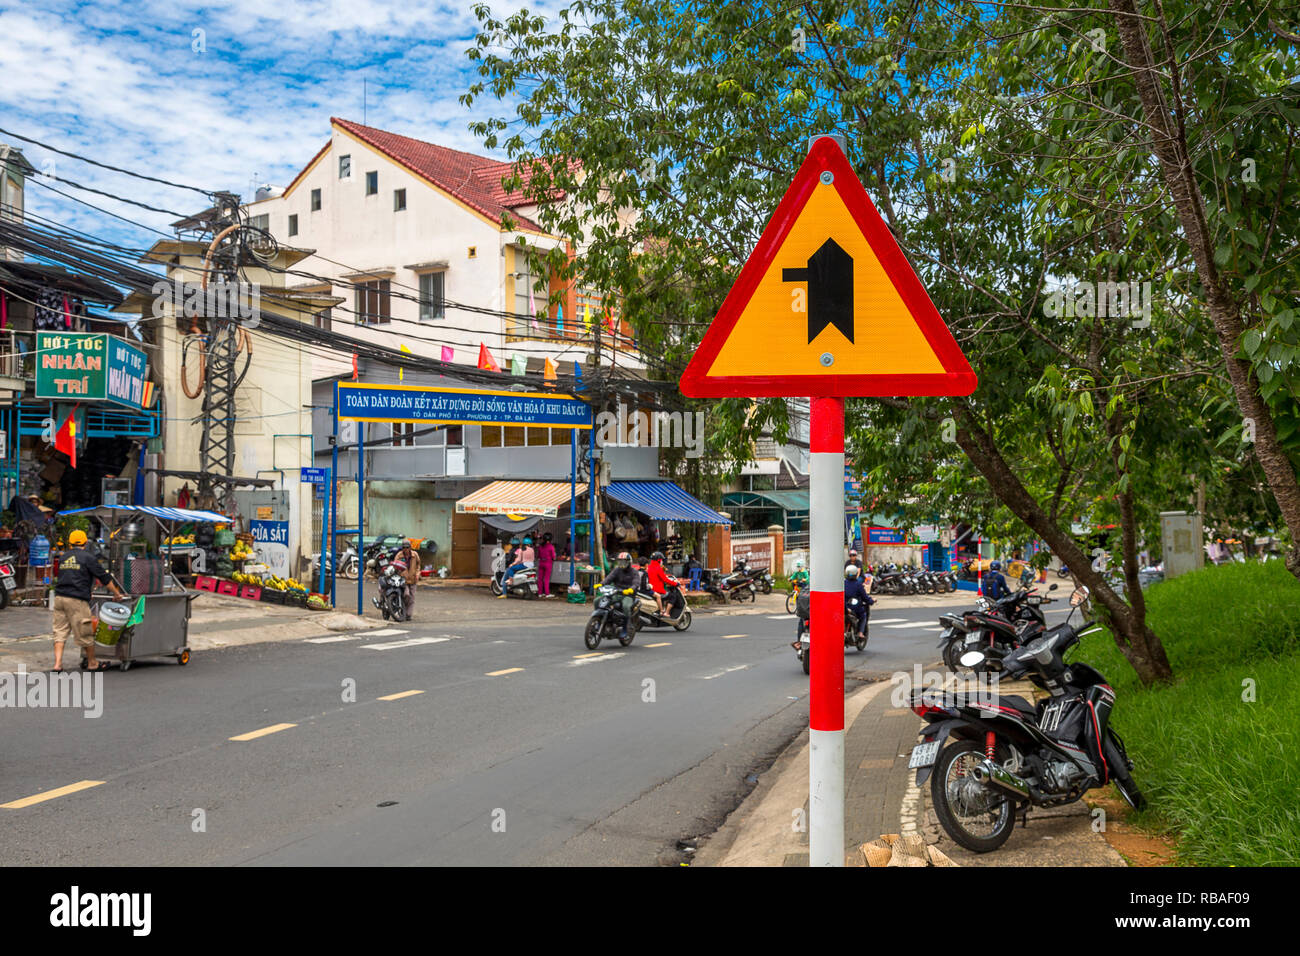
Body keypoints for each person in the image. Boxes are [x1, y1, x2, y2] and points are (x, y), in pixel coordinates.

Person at [52, 529, 125, 672]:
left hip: (60, 598)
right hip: (76, 600)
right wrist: (117, 593)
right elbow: (104, 578)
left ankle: (57, 664)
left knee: (59, 632)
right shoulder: (88, 558)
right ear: (85, 543)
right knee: (85, 632)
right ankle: (92, 663)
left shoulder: (62, 557)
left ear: (70, 543)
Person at [601, 551, 640, 639]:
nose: (621, 564)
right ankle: (599, 621)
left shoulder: (634, 571)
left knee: (626, 606)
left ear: (629, 562)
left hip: (628, 595)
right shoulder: (617, 570)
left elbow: (636, 583)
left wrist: (631, 589)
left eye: (624, 561)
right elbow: (609, 578)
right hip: (616, 593)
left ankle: (626, 628)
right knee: (598, 601)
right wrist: (601, 584)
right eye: (620, 561)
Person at [844, 564, 871, 639]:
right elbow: (865, 597)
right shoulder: (858, 585)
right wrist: (871, 601)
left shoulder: (843, 583)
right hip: (854, 608)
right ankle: (860, 633)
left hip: (843, 607)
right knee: (863, 615)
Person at [395, 539, 419, 620]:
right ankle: (403, 610)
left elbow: (418, 565)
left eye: (407, 547)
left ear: (410, 548)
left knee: (412, 598)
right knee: (406, 595)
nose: (406, 549)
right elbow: (395, 565)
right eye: (404, 547)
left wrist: (418, 573)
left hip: (413, 579)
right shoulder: (399, 555)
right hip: (403, 580)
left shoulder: (415, 555)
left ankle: (408, 615)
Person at [646, 550, 673, 615]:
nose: (662, 561)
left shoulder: (648, 567)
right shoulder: (658, 568)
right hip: (657, 590)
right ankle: (666, 612)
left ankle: (662, 608)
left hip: (651, 589)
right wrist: (675, 583)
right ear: (658, 560)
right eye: (661, 560)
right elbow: (665, 580)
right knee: (672, 596)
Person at [537, 532, 557, 598]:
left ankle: (539, 593)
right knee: (546, 579)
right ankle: (547, 593)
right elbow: (553, 556)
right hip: (548, 564)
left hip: (541, 563)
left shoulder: (540, 546)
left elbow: (538, 556)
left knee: (540, 579)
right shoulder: (551, 547)